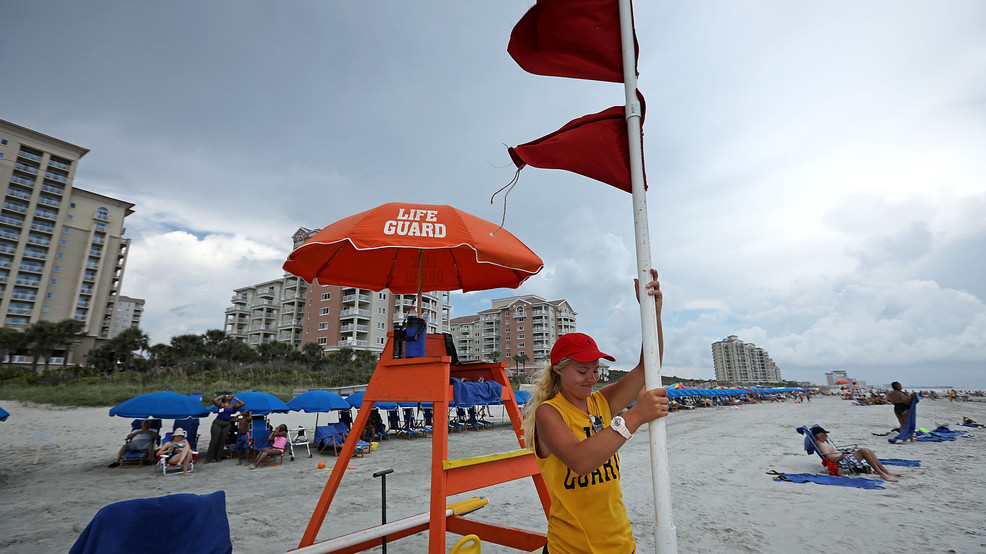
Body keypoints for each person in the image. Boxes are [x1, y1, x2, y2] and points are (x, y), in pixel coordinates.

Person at [521, 269, 669, 553]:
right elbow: (580, 461)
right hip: (571, 548)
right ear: (560, 371)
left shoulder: (600, 402)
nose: (592, 377)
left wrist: (652, 314)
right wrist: (635, 415)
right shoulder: (548, 413)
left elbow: (645, 369)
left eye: (596, 370)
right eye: (582, 371)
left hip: (619, 542)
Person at [811, 426, 902, 482]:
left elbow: (833, 453)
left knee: (867, 450)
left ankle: (884, 471)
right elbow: (831, 458)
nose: (826, 435)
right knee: (864, 451)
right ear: (818, 435)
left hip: (843, 458)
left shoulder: (824, 442)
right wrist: (843, 455)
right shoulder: (821, 444)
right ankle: (882, 474)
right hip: (841, 461)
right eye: (824, 433)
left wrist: (845, 452)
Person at [204, 393, 244, 463]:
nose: (228, 397)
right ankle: (208, 458)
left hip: (227, 423)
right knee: (214, 440)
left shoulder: (232, 405)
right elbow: (214, 401)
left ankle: (218, 457)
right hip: (218, 423)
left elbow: (242, 403)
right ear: (224, 398)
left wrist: (235, 398)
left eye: (229, 396)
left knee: (222, 441)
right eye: (227, 396)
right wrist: (220, 396)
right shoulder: (220, 404)